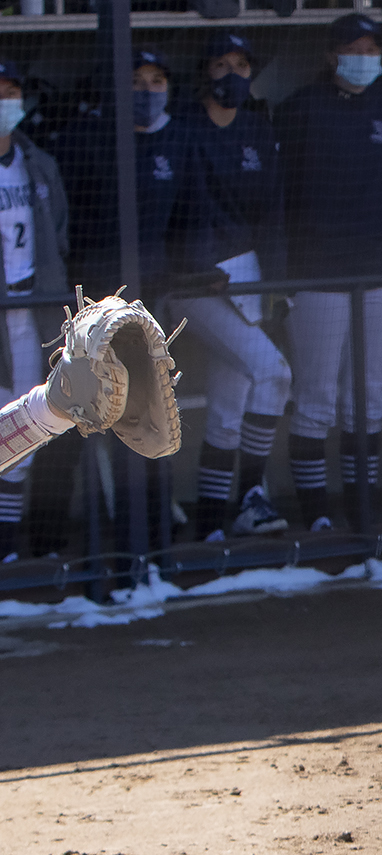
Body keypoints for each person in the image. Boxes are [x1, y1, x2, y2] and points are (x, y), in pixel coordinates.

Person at [37, 48, 192, 557]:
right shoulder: (84, 141)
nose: (146, 90)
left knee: (150, 416)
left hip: (148, 311)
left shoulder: (172, 140)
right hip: (85, 311)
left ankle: (149, 541)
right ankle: (45, 540)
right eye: (135, 81)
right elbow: (65, 230)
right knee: (68, 415)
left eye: (156, 79)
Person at [275, 13, 382, 531]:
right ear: (331, 54)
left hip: (376, 269)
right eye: (354, 48)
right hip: (316, 275)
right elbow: (279, 195)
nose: (365, 57)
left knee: (369, 396)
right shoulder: (299, 110)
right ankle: (316, 516)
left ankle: (362, 510)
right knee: (315, 396)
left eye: (372, 48)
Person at [171, 31, 292, 542]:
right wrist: (199, 267)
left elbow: (272, 212)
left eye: (241, 65)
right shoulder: (180, 128)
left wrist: (278, 284)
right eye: (222, 65)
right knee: (274, 373)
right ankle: (249, 493)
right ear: (205, 72)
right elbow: (176, 213)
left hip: (248, 273)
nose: (233, 74)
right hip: (191, 280)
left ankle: (212, 518)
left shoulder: (258, 130)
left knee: (229, 404)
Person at [0, 60, 70, 563]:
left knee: (18, 427)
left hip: (29, 313)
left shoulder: (38, 162)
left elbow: (58, 236)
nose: (5, 101)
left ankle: (5, 545)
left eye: (11, 91)